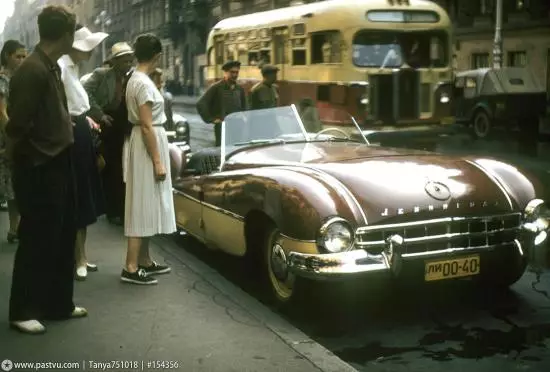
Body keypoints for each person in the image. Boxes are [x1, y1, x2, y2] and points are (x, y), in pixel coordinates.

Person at [6, 5, 87, 335]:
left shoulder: (48, 66)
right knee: (38, 238)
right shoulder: (34, 70)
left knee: (63, 235)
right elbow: (17, 126)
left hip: (58, 161)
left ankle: (57, 303)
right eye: (74, 32)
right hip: (40, 166)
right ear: (66, 35)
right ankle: (22, 309)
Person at [122, 33, 175, 285]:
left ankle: (143, 259)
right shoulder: (143, 83)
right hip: (147, 147)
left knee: (146, 201)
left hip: (145, 144)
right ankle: (130, 266)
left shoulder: (136, 79)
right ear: (157, 55)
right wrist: (157, 161)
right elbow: (146, 126)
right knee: (142, 202)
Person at [58, 25, 108, 281]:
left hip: (81, 130)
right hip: (73, 133)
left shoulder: (73, 68)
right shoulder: (63, 67)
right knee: (78, 195)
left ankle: (82, 256)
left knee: (85, 195)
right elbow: (62, 106)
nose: (92, 51)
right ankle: (77, 257)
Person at [83, 42, 134, 226]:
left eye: (130, 60)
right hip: (107, 122)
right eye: (124, 60)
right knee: (111, 167)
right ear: (115, 62)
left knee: (124, 167)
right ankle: (112, 210)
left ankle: (122, 208)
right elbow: (85, 93)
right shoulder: (102, 75)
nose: (128, 64)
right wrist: (100, 114)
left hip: (123, 123)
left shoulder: (132, 77)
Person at [0, 40, 26, 243]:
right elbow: (2, 112)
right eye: (18, 56)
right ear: (7, 56)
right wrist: (13, 134)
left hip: (13, 134)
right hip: (6, 136)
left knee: (14, 183)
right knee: (10, 182)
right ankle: (14, 227)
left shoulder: (18, 78)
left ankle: (15, 228)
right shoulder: (3, 81)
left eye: (24, 56)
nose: (22, 60)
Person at [196, 60, 247, 146]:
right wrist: (211, 119)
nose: (235, 75)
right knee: (222, 152)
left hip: (238, 126)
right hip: (223, 127)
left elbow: (244, 107)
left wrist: (244, 117)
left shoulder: (239, 89)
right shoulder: (217, 87)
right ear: (225, 73)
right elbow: (201, 103)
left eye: (236, 72)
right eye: (232, 72)